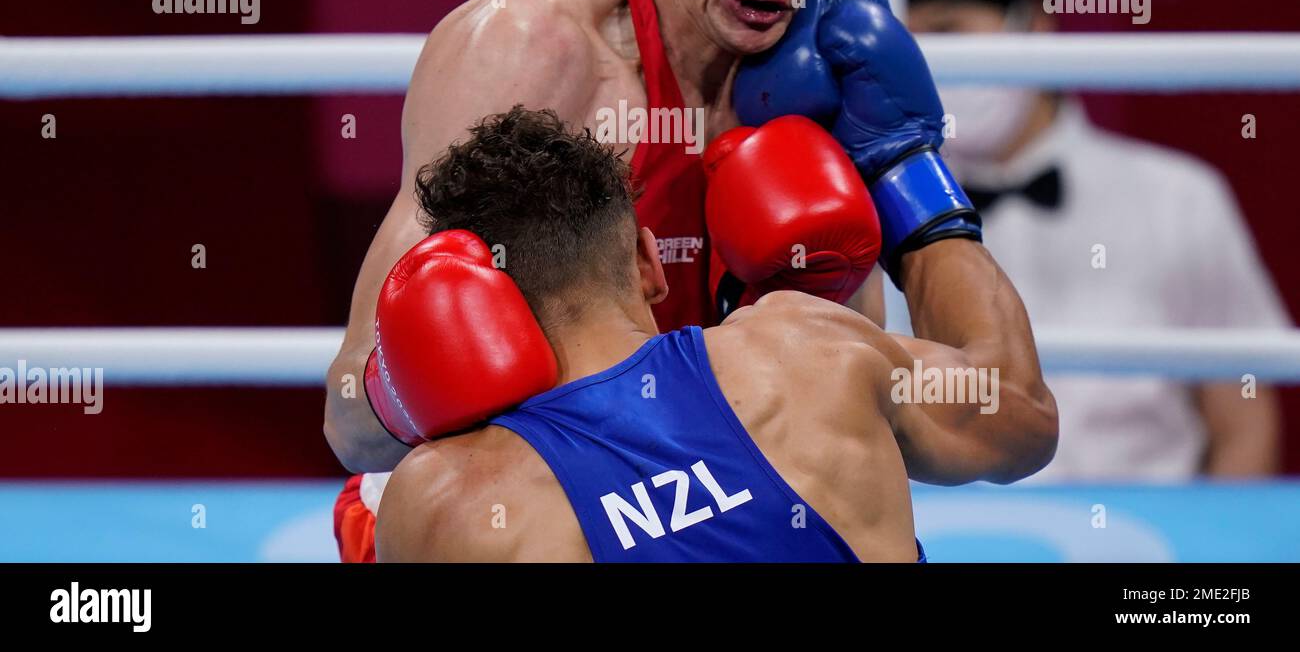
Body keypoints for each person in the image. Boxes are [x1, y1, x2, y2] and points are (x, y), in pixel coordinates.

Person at [326, 0, 887, 561]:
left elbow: (883, 395)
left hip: (703, 493)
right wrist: (435, 380)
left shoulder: (834, 68)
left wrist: (905, 166)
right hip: (521, 499)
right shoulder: (526, 55)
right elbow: (352, 423)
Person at [372, 105, 1057, 561]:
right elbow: (1022, 413)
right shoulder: (806, 350)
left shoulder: (450, 502)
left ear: (473, 309)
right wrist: (907, 173)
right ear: (648, 262)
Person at [905, 0, 1286, 481]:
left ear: (1033, 22)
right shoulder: (864, 216)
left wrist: (1211, 570)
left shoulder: (1180, 198)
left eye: (947, 29)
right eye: (904, 41)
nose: (929, 60)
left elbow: (1244, 422)